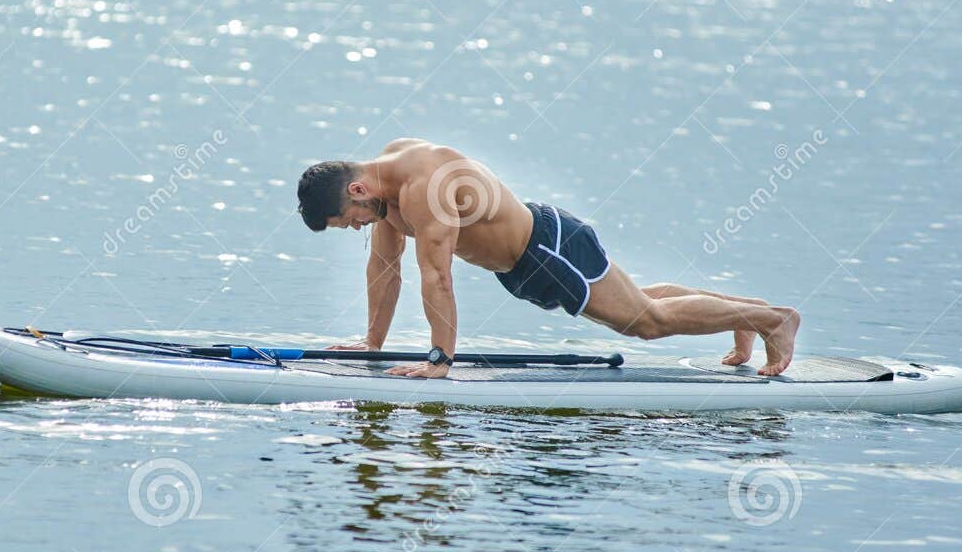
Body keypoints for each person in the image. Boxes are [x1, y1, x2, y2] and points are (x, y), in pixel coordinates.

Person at [296, 138, 800, 378]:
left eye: (349, 220)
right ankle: (744, 313)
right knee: (642, 302)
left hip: (549, 250)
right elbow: (385, 269)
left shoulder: (423, 185)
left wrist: (438, 361)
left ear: (357, 189)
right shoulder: (385, 190)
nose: (357, 227)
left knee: (647, 323)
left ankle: (772, 320)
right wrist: (373, 346)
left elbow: (439, 279)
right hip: (523, 265)